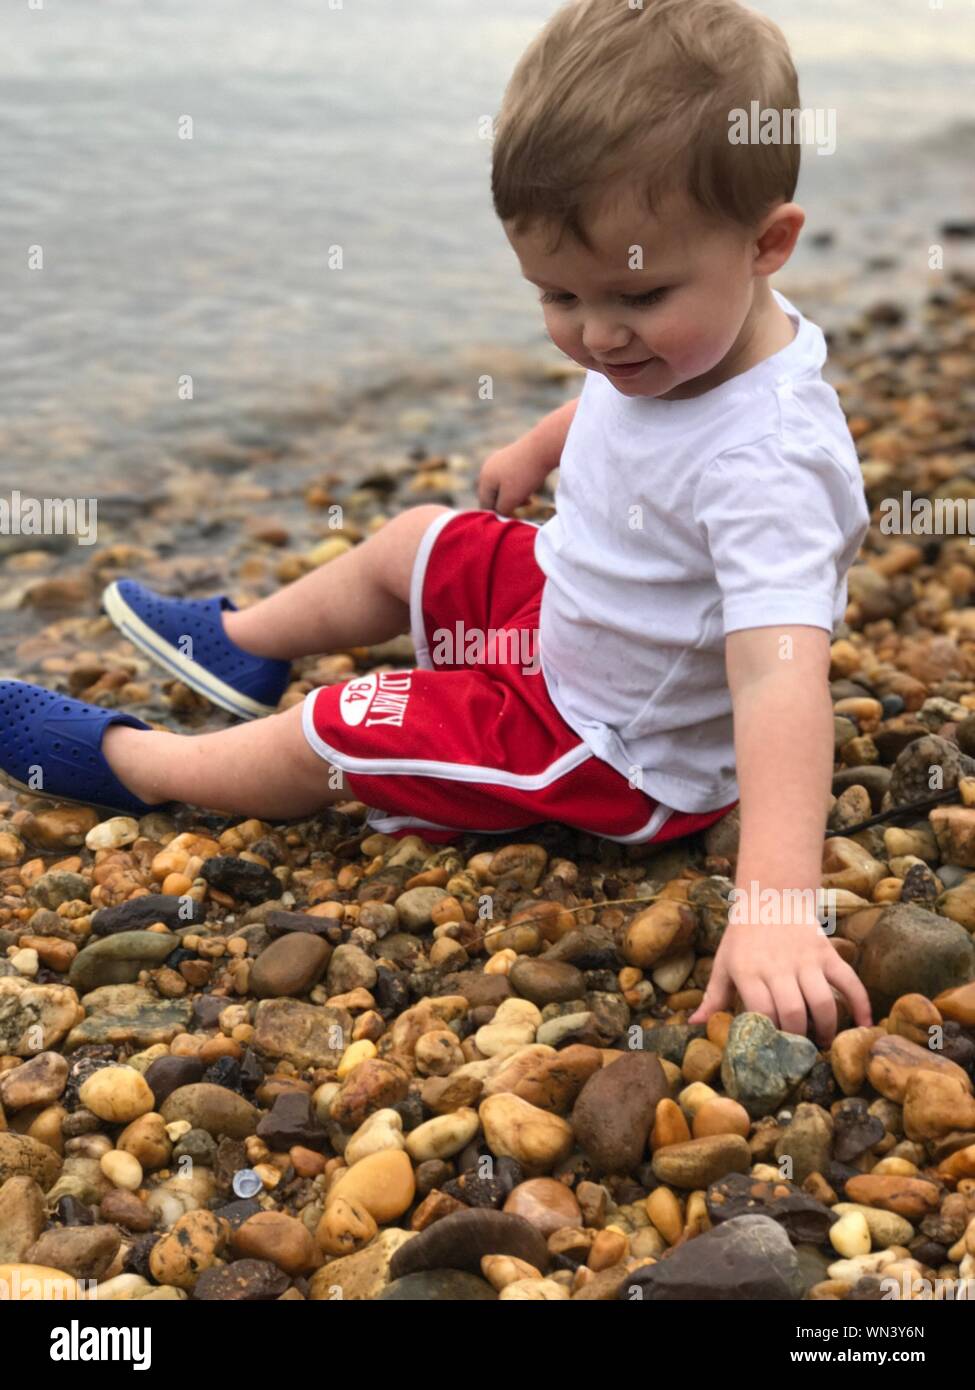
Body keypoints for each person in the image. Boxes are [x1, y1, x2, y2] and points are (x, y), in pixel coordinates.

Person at [0, 0, 872, 1044]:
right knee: (418, 538)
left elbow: (781, 672)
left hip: (607, 741)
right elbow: (631, 405)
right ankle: (237, 646)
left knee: (349, 724)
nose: (595, 334)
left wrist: (774, 899)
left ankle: (141, 764)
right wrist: (543, 447)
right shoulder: (692, 337)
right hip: (572, 606)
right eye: (556, 296)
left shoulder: (769, 463)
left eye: (633, 298)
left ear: (768, 243)